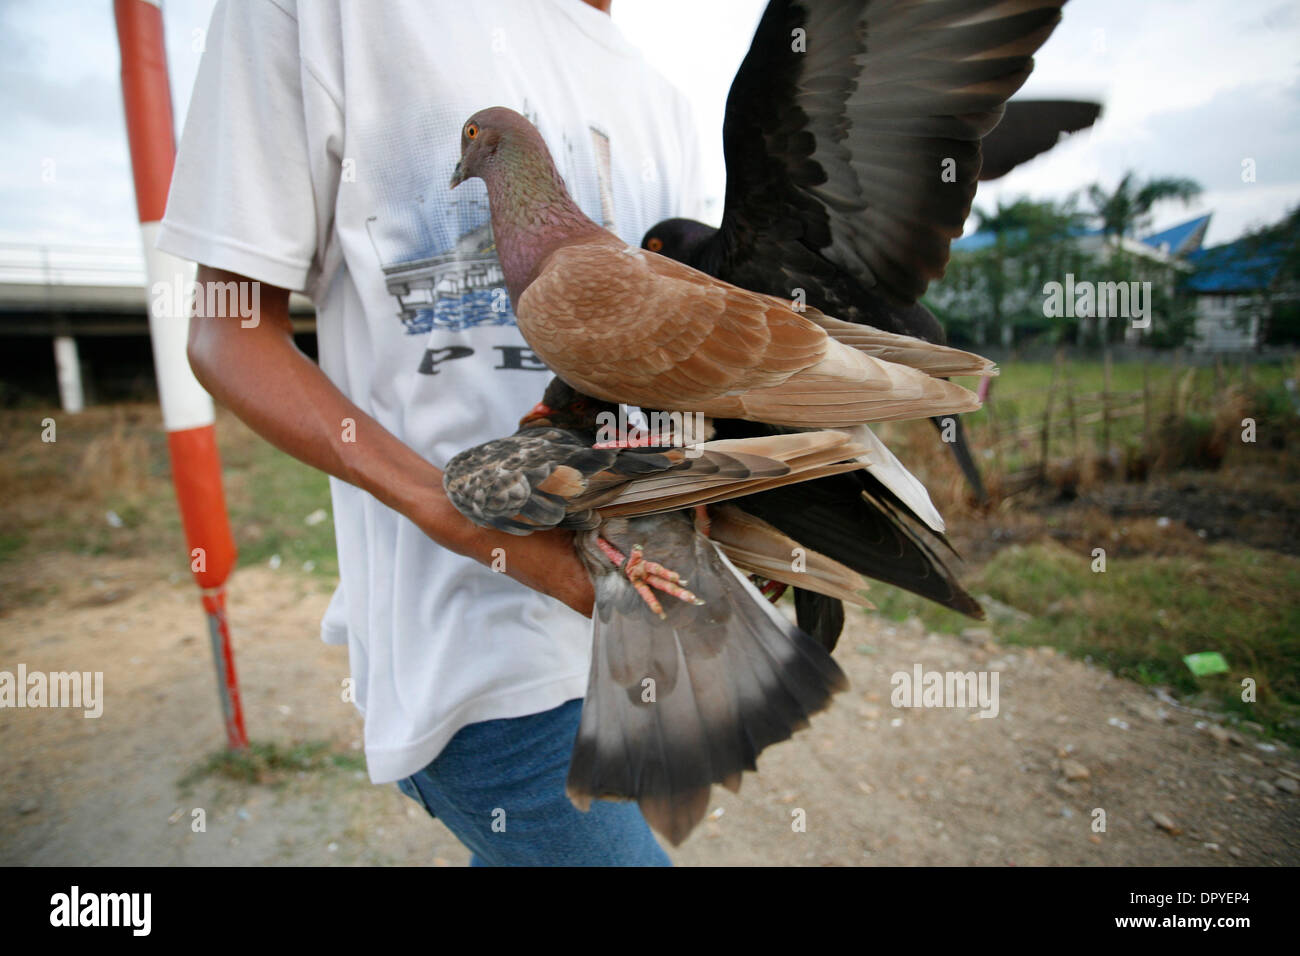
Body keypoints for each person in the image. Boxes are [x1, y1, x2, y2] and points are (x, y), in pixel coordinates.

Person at [160, 0, 706, 865]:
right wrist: (468, 521)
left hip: (645, 626)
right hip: (481, 660)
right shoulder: (327, 13)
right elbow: (229, 329)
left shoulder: (665, 97)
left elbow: (683, 364)